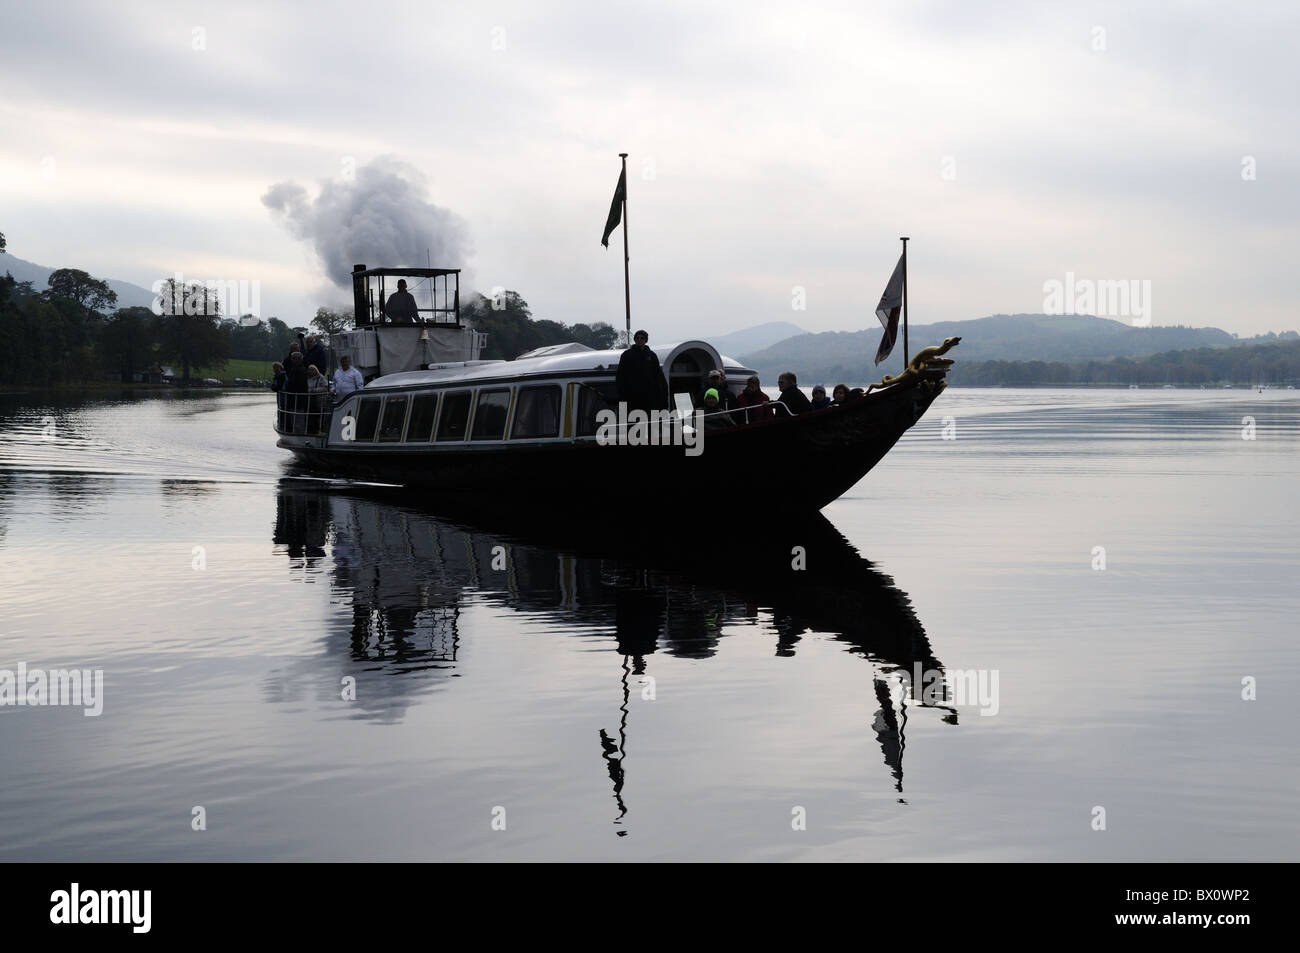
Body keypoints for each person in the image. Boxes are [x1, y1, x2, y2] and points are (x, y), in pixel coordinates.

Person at [616, 329, 666, 412]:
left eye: (642, 338)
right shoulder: (627, 355)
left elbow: (658, 376)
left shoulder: (651, 355)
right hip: (632, 396)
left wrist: (661, 397)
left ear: (645, 340)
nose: (639, 340)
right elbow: (620, 375)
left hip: (649, 396)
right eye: (637, 338)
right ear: (635, 339)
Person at [285, 352, 309, 433]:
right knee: (294, 418)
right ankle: (295, 431)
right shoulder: (295, 368)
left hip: (298, 399)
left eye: (293, 358)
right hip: (294, 399)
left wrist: (289, 388)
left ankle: (300, 434)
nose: (291, 360)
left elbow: (300, 384)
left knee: (298, 419)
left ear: (298, 359)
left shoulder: (300, 370)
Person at [306, 365, 328, 433]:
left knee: (320, 416)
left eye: (312, 369)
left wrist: (314, 390)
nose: (311, 371)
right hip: (310, 401)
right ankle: (311, 429)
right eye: (309, 369)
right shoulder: (307, 378)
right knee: (311, 416)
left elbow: (325, 388)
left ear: (316, 370)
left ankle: (320, 429)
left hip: (320, 400)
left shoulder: (321, 378)